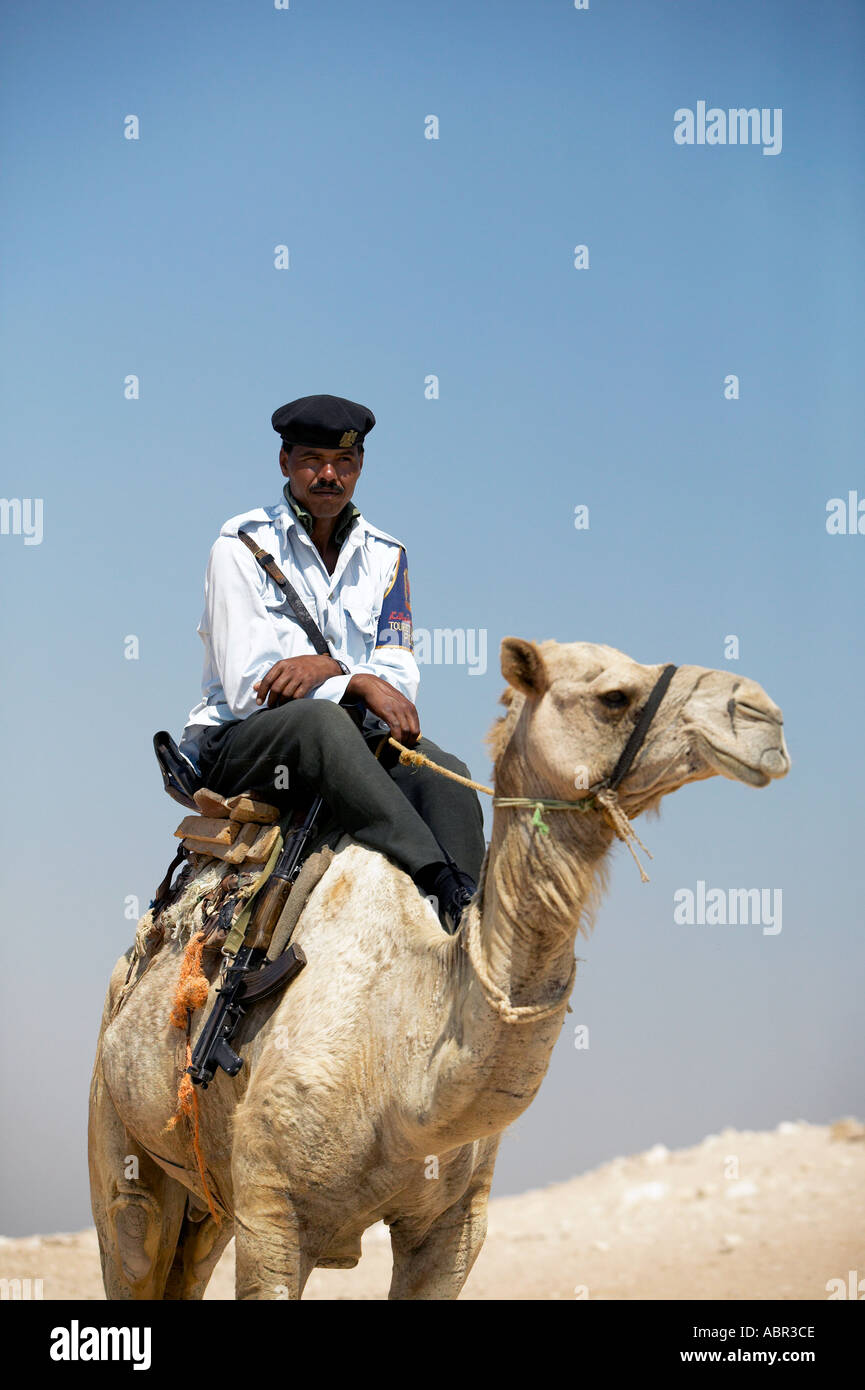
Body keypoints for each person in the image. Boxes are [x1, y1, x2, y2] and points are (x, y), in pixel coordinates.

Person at [178, 393, 485, 930]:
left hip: (351, 737)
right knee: (319, 722)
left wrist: (340, 673)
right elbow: (255, 683)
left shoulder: (387, 555)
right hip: (244, 741)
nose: (328, 475)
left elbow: (396, 676)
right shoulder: (240, 545)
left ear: (360, 467)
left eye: (343, 462)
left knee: (449, 775)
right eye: (311, 461)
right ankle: (436, 874)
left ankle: (467, 923)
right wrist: (355, 679)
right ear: (284, 463)